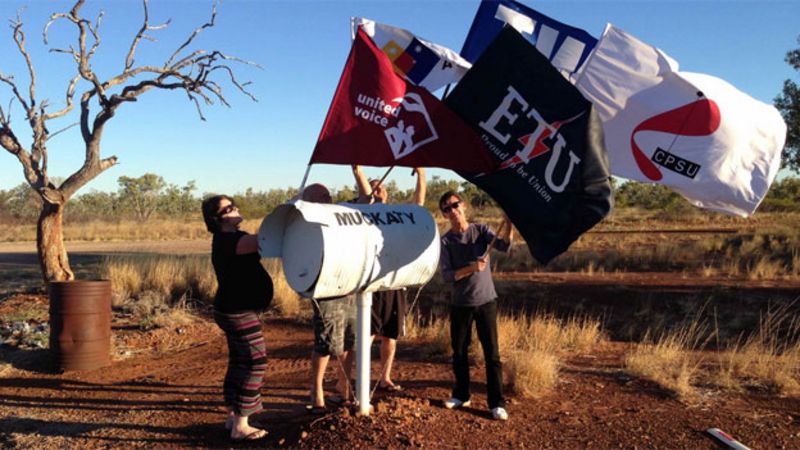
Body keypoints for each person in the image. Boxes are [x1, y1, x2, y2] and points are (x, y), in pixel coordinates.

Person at [201, 195, 273, 441]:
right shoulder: (230, 241)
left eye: (234, 204)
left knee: (240, 361)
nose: (236, 209)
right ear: (217, 219)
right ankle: (241, 425)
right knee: (256, 362)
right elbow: (266, 239)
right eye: (229, 208)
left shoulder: (230, 238)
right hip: (238, 311)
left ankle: (233, 416)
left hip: (233, 308)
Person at [437, 190, 513, 421]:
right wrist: (471, 268)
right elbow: (448, 276)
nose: (452, 211)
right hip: (461, 304)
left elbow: (503, 246)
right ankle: (461, 395)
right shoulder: (446, 241)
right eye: (447, 209)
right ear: (444, 214)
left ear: (464, 205)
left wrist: (509, 223)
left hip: (486, 301)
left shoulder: (480, 230)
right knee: (459, 352)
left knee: (492, 355)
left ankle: (496, 403)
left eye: (455, 205)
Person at [352, 165, 426, 392]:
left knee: (391, 334)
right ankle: (360, 378)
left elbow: (418, 205)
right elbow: (365, 196)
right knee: (369, 331)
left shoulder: (396, 213)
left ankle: (385, 378)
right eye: (374, 188)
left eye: (381, 187)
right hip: (372, 281)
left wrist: (421, 175)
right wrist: (358, 171)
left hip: (395, 281)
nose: (377, 191)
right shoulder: (363, 212)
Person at [302, 183, 357, 413]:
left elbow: (366, 199)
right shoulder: (305, 224)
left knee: (350, 339)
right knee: (326, 341)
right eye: (320, 197)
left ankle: (343, 388)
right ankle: (317, 392)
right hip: (325, 288)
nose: (327, 199)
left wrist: (358, 172)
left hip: (349, 284)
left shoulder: (339, 217)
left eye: (328, 195)